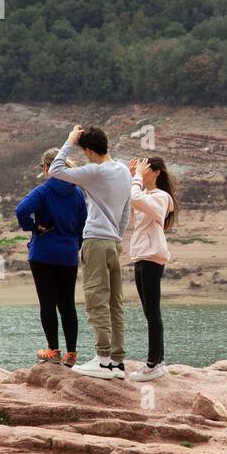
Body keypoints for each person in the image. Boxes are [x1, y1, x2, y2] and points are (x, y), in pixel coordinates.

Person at [49, 125, 132, 379]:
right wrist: (117, 236)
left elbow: (55, 170)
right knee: (115, 302)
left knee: (96, 299)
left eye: (83, 150)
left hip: (95, 241)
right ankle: (117, 362)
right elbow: (126, 211)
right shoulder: (124, 171)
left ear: (87, 150)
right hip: (114, 243)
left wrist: (68, 141)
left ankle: (102, 359)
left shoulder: (95, 172)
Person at [16, 147, 87, 368]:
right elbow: (83, 223)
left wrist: (34, 227)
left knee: (47, 302)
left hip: (43, 254)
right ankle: (72, 354)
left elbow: (21, 210)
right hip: (67, 256)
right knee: (67, 304)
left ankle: (53, 350)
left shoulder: (43, 191)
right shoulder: (77, 193)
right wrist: (75, 244)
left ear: (48, 167)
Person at [126, 155, 176, 381]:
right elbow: (130, 202)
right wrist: (131, 177)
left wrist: (134, 178)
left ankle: (153, 363)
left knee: (153, 311)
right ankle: (159, 361)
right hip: (141, 255)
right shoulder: (146, 195)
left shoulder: (161, 197)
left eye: (145, 168)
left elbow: (134, 198)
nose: (141, 171)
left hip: (151, 257)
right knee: (149, 311)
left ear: (156, 172)